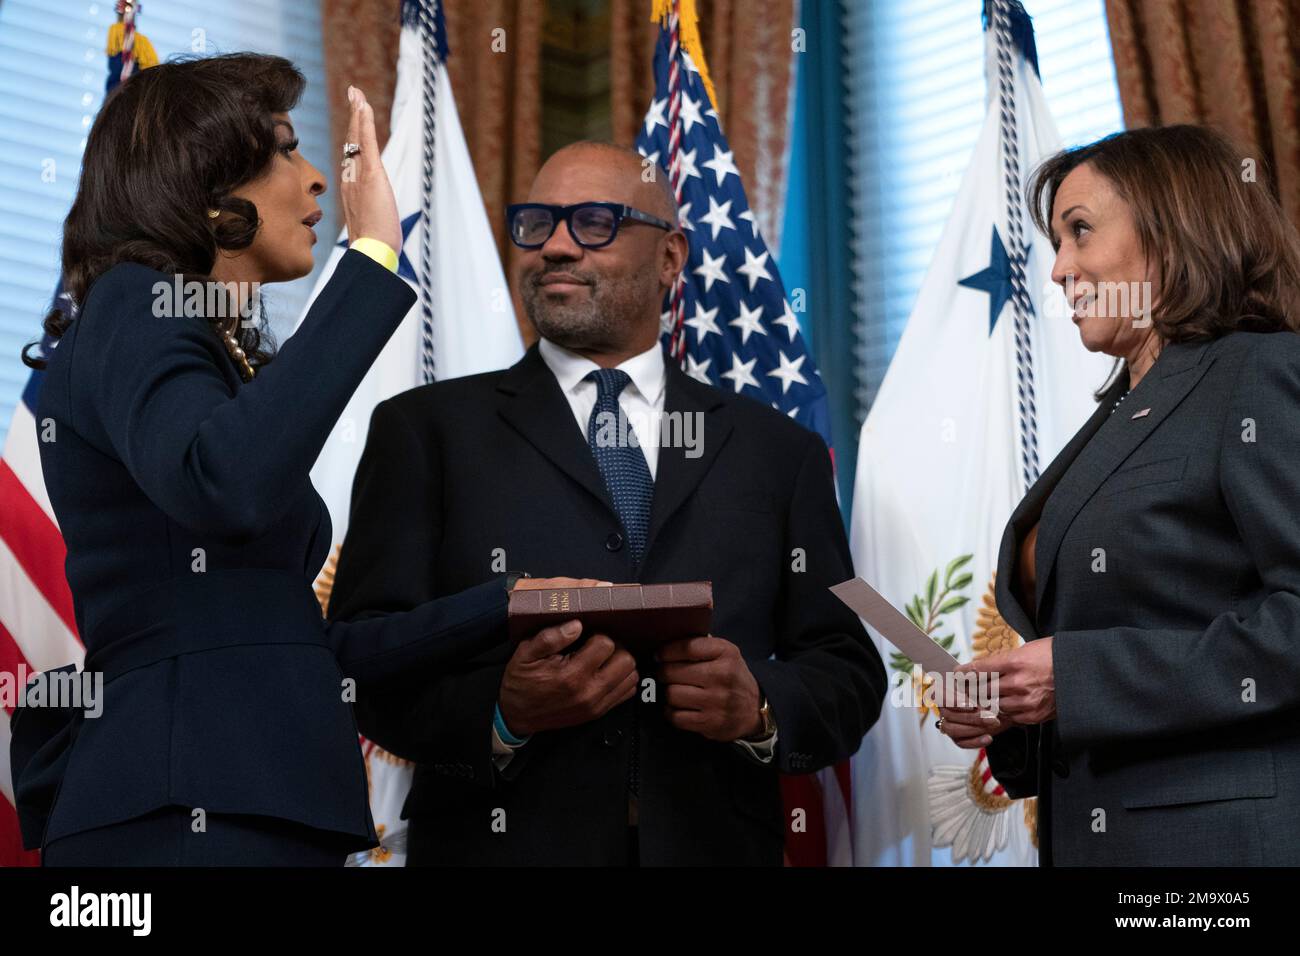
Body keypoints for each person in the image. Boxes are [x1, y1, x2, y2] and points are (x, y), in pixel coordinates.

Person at [9, 53, 578, 866]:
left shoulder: (195, 342)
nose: (318, 181)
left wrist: (512, 600)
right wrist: (373, 255)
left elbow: (286, 640)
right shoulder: (138, 302)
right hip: (184, 807)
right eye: (285, 148)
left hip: (233, 797)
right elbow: (226, 481)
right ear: (202, 180)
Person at [327, 141, 886, 866]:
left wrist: (758, 706)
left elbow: (848, 669)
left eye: (593, 222)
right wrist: (501, 712)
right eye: (537, 223)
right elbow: (361, 660)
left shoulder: (779, 453)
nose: (556, 246)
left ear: (670, 258)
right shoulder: (424, 432)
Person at [938, 124, 1300, 866]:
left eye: (1080, 233)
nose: (1059, 270)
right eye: (1055, 244)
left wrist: (1077, 677)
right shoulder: (1120, 414)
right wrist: (1014, 714)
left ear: (1172, 233)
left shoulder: (1261, 374)